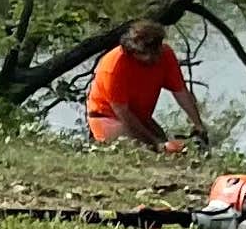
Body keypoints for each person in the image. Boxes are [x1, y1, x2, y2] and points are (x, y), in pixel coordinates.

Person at [86, 20, 209, 152]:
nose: (148, 57)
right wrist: (156, 143)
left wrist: (198, 126)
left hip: (140, 116)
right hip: (107, 117)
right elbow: (122, 112)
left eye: (152, 52)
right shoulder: (115, 65)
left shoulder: (166, 56)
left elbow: (181, 92)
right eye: (142, 53)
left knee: (171, 148)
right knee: (144, 150)